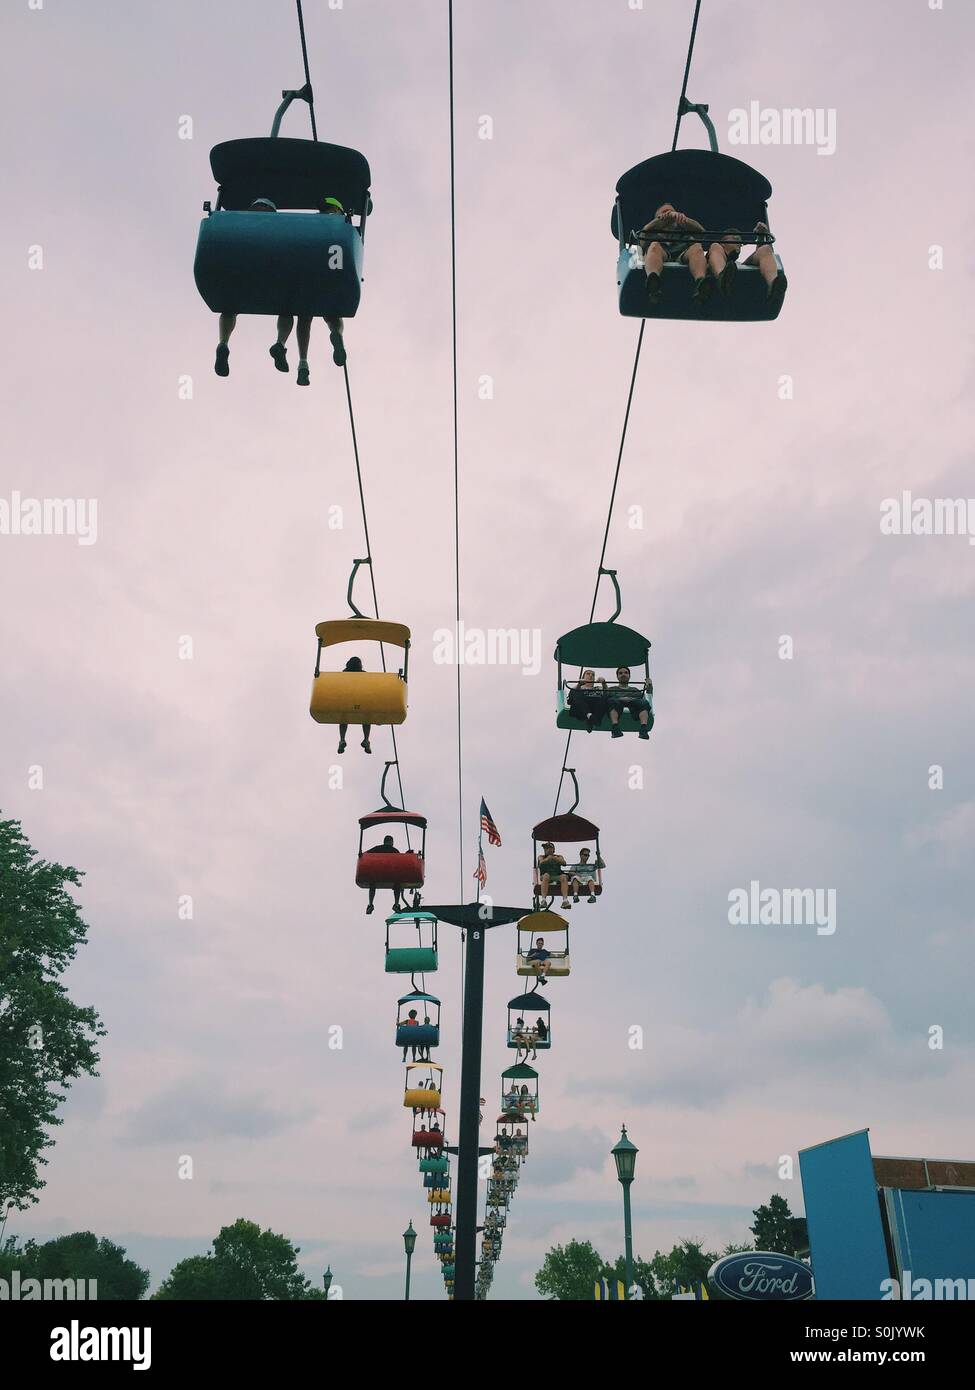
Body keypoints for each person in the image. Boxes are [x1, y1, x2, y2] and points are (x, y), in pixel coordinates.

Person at [638, 202, 711, 304]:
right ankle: (653, 281)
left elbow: (702, 233)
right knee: (654, 246)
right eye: (665, 212)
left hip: (682, 255)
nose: (670, 214)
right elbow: (643, 236)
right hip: (661, 254)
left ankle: (701, 283)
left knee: (696, 247)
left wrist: (684, 220)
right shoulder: (652, 234)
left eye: (672, 212)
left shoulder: (684, 234)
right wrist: (660, 220)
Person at [741, 221, 787, 305]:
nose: (739, 244)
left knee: (765, 249)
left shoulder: (739, 265)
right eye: (736, 239)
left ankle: (774, 287)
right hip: (730, 277)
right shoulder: (714, 252)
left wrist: (761, 237)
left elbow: (761, 254)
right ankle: (721, 278)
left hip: (742, 277)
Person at [337, 657, 372, 755]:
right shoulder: (363, 674)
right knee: (367, 719)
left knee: (343, 719)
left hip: (348, 700)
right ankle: (366, 739)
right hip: (361, 699)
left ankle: (342, 739)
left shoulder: (344, 674)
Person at [607, 665, 652, 739]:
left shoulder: (635, 690)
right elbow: (605, 697)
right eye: (620, 673)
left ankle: (643, 729)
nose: (623, 674)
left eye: (626, 673)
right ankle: (615, 727)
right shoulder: (612, 689)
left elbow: (646, 698)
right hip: (617, 705)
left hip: (633, 706)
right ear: (617, 677)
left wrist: (649, 686)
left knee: (644, 703)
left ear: (629, 676)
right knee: (611, 701)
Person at [363, 834, 403, 915]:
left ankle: (370, 904)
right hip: (391, 875)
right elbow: (400, 862)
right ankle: (396, 904)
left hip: (378, 875)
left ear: (384, 841)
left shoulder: (377, 848)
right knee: (398, 885)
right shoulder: (395, 851)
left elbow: (365, 854)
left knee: (372, 885)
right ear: (391, 842)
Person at [536, 842, 571, 909]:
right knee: (546, 875)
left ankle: (565, 901)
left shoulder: (558, 856)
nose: (547, 850)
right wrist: (548, 859)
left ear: (553, 849)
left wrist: (554, 858)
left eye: (548, 848)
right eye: (545, 848)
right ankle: (543, 900)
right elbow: (541, 862)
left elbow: (564, 863)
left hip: (556, 876)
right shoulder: (541, 857)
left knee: (563, 877)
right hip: (545, 877)